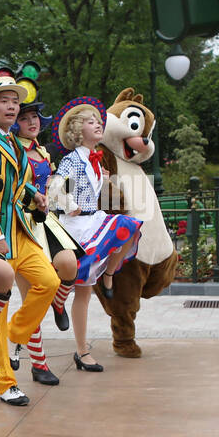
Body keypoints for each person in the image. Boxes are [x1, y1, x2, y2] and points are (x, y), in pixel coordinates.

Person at [0, 76, 74, 406]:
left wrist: (34, 195)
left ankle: (18, 335)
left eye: (14, 101)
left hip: (20, 230)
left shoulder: (14, 142)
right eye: (4, 101)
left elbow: (14, 186)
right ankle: (5, 383)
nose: (12, 106)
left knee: (49, 282)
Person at [49, 98, 143, 372]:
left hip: (95, 221)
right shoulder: (72, 160)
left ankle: (110, 273)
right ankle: (81, 350)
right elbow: (55, 188)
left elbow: (90, 187)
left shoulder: (92, 159)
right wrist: (71, 205)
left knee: (130, 226)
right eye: (92, 122)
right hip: (78, 228)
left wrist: (100, 175)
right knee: (84, 291)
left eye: (99, 122)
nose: (98, 124)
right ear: (79, 131)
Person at [11, 100, 82, 386]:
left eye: (35, 118)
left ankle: (58, 301)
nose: (32, 122)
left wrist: (66, 200)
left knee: (70, 265)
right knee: (31, 299)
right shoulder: (12, 149)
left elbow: (50, 183)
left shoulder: (41, 150)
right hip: (21, 223)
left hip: (45, 219)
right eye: (26, 118)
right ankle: (39, 365)